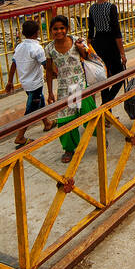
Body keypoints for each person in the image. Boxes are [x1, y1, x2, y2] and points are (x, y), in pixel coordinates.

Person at [44, 14, 99, 163]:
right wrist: (49, 92)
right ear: (51, 31)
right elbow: (49, 72)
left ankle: (100, 138)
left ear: (67, 29)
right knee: (66, 120)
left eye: (62, 28)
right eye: (56, 29)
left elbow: (86, 57)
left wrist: (82, 49)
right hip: (63, 89)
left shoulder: (76, 41)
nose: (59, 31)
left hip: (80, 85)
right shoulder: (49, 48)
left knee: (89, 114)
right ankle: (69, 150)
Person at [5, 18, 53, 146]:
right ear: (37, 33)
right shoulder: (37, 49)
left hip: (25, 83)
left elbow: (13, 64)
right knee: (31, 111)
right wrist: (56, 73)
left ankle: (47, 123)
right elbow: (46, 65)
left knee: (40, 102)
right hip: (35, 84)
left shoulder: (20, 47)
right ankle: (20, 136)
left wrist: (10, 81)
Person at [87, 0, 127, 104]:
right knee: (120, 76)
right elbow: (116, 32)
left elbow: (90, 31)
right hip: (110, 44)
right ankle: (105, 106)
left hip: (97, 43)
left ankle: (106, 112)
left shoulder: (92, 8)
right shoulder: (111, 7)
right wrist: (122, 53)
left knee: (105, 77)